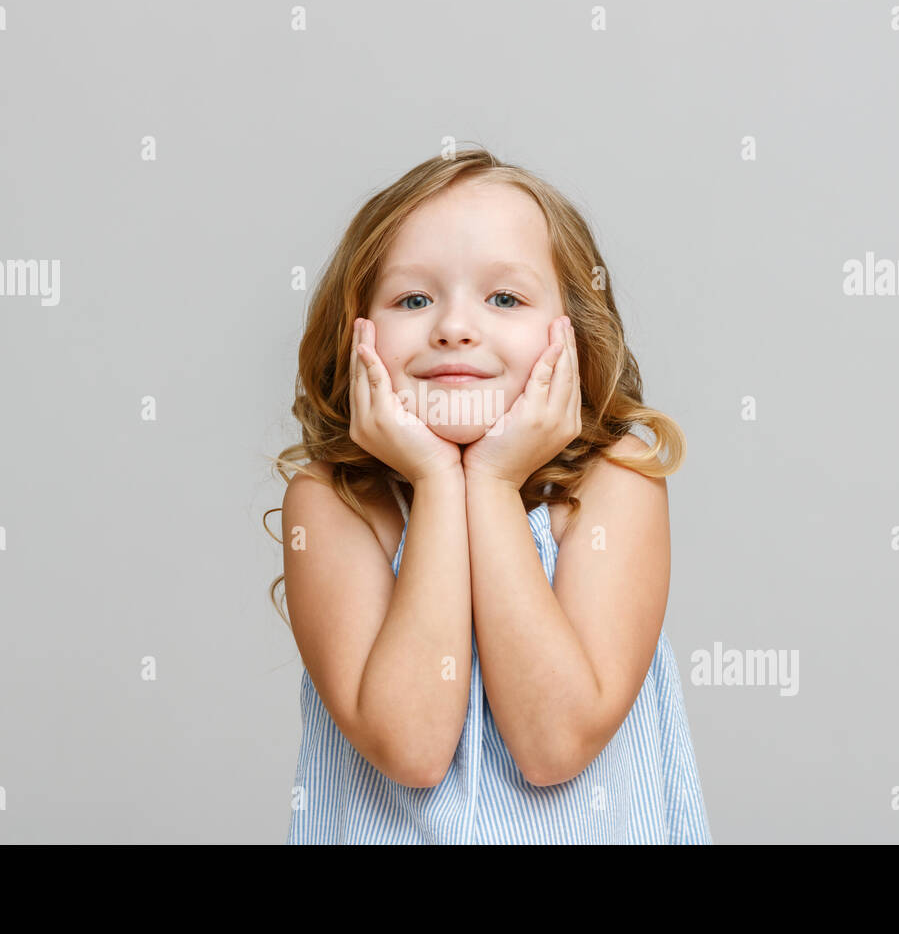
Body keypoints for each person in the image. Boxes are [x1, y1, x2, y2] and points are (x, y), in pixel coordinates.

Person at [264, 146, 712, 843]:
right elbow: (412, 749)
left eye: (505, 298)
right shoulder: (334, 503)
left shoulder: (617, 482)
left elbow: (554, 745)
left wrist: (495, 482)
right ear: (356, 332)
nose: (454, 327)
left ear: (573, 332)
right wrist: (439, 480)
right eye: (413, 299)